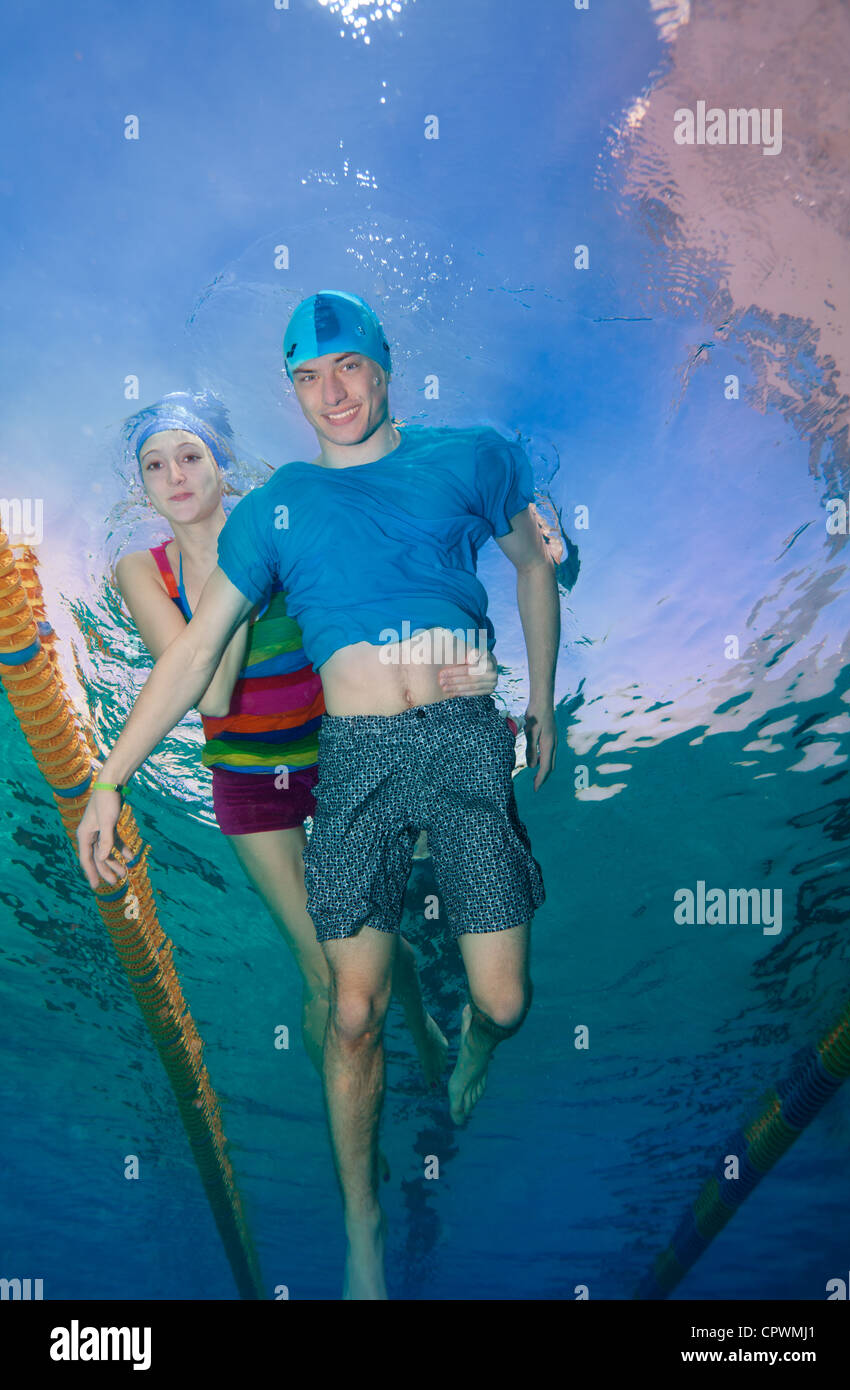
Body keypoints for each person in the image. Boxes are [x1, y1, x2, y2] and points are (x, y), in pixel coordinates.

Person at [77, 291, 560, 1300]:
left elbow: (535, 567)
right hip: (352, 758)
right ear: (290, 390)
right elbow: (200, 649)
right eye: (306, 376)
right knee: (348, 1010)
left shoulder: (468, 454)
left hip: (466, 739)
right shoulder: (277, 504)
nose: (330, 392)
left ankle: (470, 1043)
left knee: (505, 1002)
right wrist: (109, 780)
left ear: (384, 365)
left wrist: (545, 706)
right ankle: (362, 1234)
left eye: (346, 367)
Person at [111, 391, 499, 1108]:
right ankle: (355, 1141)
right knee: (322, 968)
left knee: (373, 936)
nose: (176, 476)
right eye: (155, 465)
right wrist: (236, 578)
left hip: (335, 757)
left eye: (191, 456)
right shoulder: (143, 571)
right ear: (143, 485)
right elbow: (214, 694)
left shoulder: (284, 524)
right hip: (248, 778)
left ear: (220, 462)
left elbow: (391, 572)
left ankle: (424, 1030)